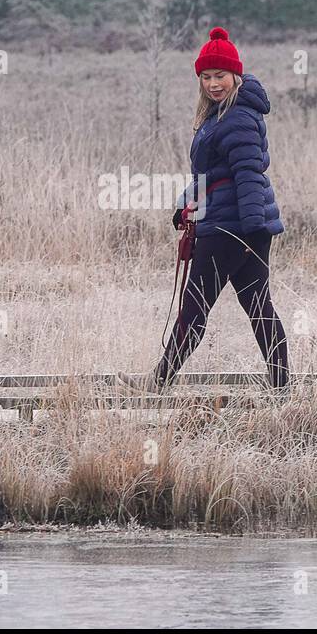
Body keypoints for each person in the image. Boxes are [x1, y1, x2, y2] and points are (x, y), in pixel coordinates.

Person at [130, 26, 289, 392]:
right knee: (258, 306)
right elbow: (211, 175)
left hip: (234, 227)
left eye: (220, 76)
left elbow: (248, 173)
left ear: (235, 75)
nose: (213, 83)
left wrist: (248, 226)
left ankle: (159, 382)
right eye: (206, 77)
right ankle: (282, 387)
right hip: (229, 221)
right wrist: (186, 204)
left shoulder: (237, 118)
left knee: (194, 309)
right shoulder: (219, 114)